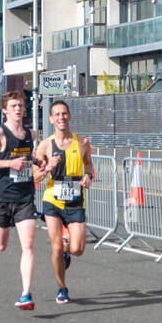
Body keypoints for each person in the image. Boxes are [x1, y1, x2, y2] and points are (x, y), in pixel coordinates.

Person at [0, 93, 39, 309]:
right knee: (2, 245)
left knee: (28, 245)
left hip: (25, 197)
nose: (18, 109)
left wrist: (40, 161)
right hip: (3, 197)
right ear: (5, 110)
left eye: (21, 105)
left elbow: (29, 158)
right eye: (13, 106)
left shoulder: (31, 133)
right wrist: (10, 164)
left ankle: (26, 294)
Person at [34, 99, 94, 306]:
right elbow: (34, 177)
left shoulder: (83, 142)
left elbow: (88, 167)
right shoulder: (44, 145)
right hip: (53, 200)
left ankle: (68, 251)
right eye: (57, 114)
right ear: (51, 119)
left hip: (76, 200)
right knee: (56, 247)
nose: (61, 117)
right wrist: (46, 168)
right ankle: (62, 288)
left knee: (77, 249)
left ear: (69, 116)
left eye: (64, 113)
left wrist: (88, 177)